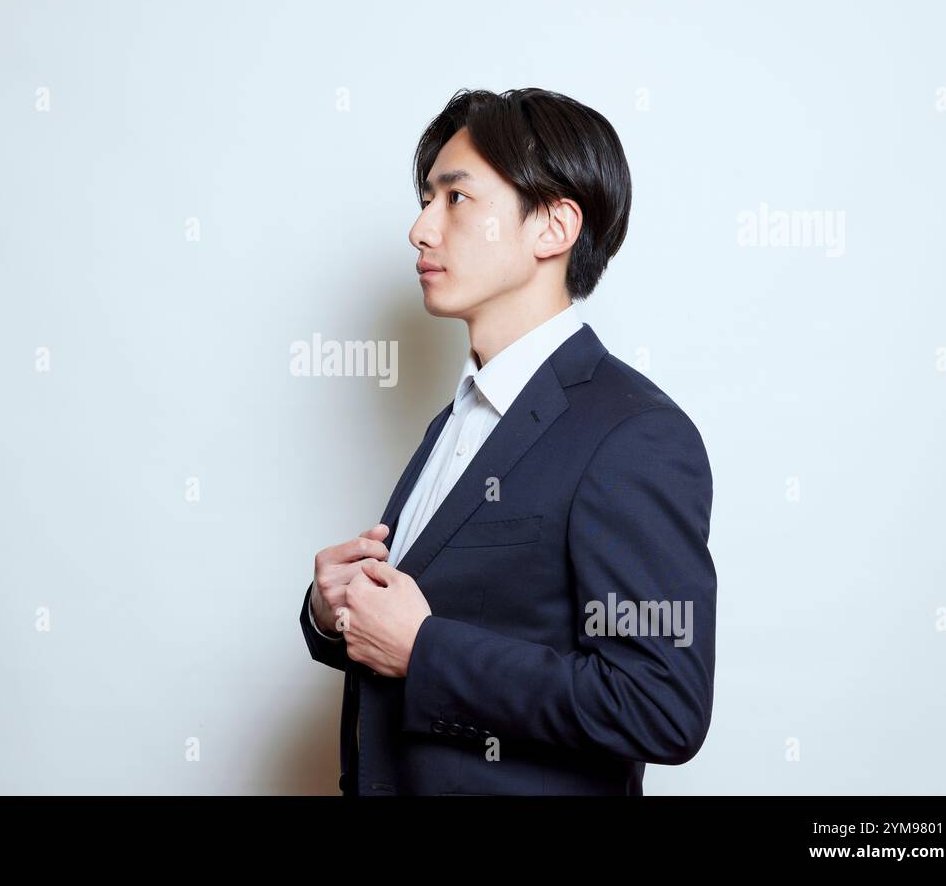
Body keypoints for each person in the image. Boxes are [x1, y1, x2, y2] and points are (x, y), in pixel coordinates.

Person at [299, 87, 716, 795]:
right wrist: (331, 609)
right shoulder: (455, 420)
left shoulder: (634, 434)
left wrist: (426, 651)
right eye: (425, 199)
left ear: (553, 227)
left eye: (455, 199)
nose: (420, 229)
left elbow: (661, 701)